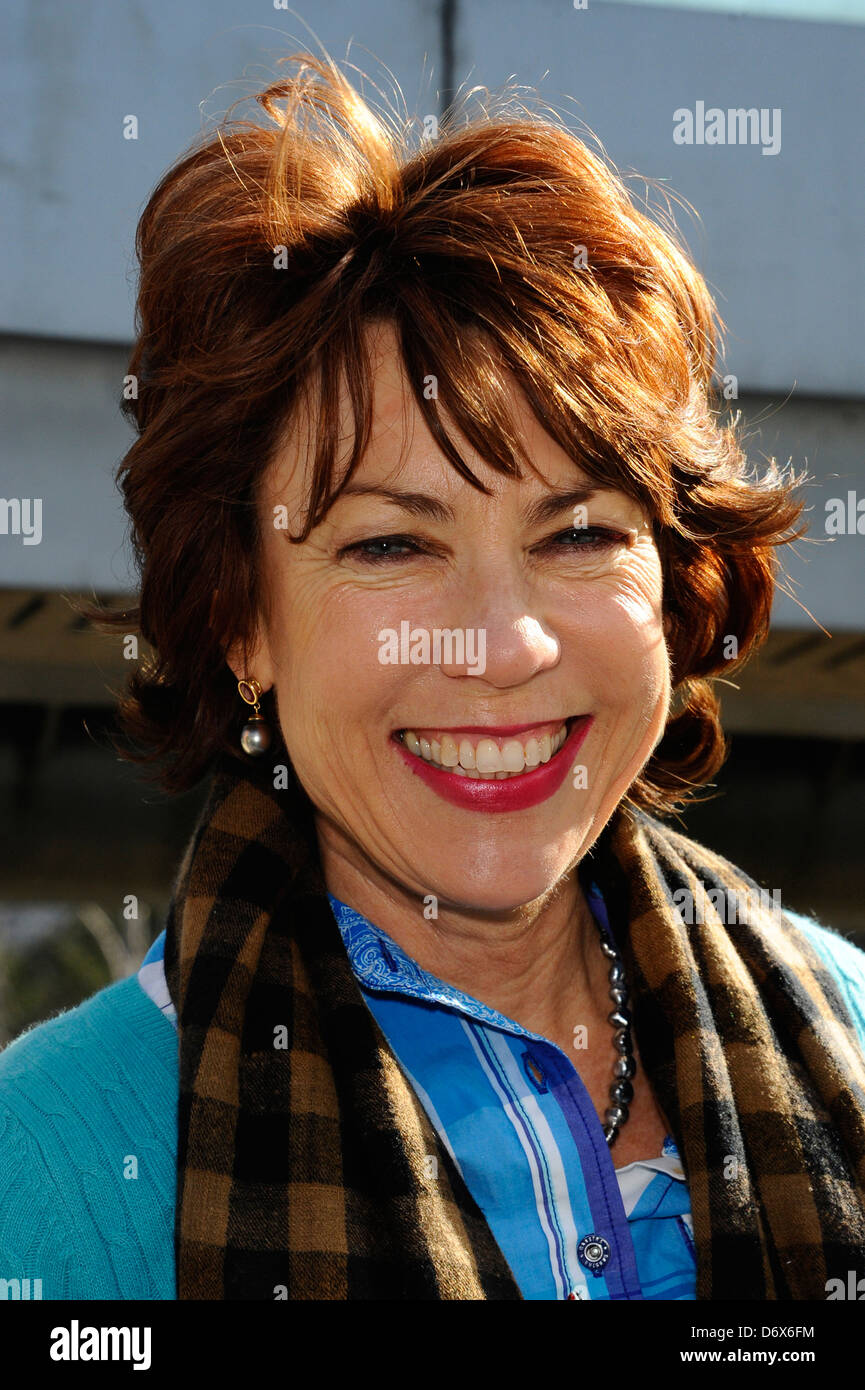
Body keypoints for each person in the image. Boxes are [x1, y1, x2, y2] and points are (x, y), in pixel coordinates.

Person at [2, 52, 864, 1303]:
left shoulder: (845, 1022)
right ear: (240, 619)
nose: (501, 644)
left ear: (674, 590)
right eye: (391, 543)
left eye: (577, 534)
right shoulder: (52, 1172)